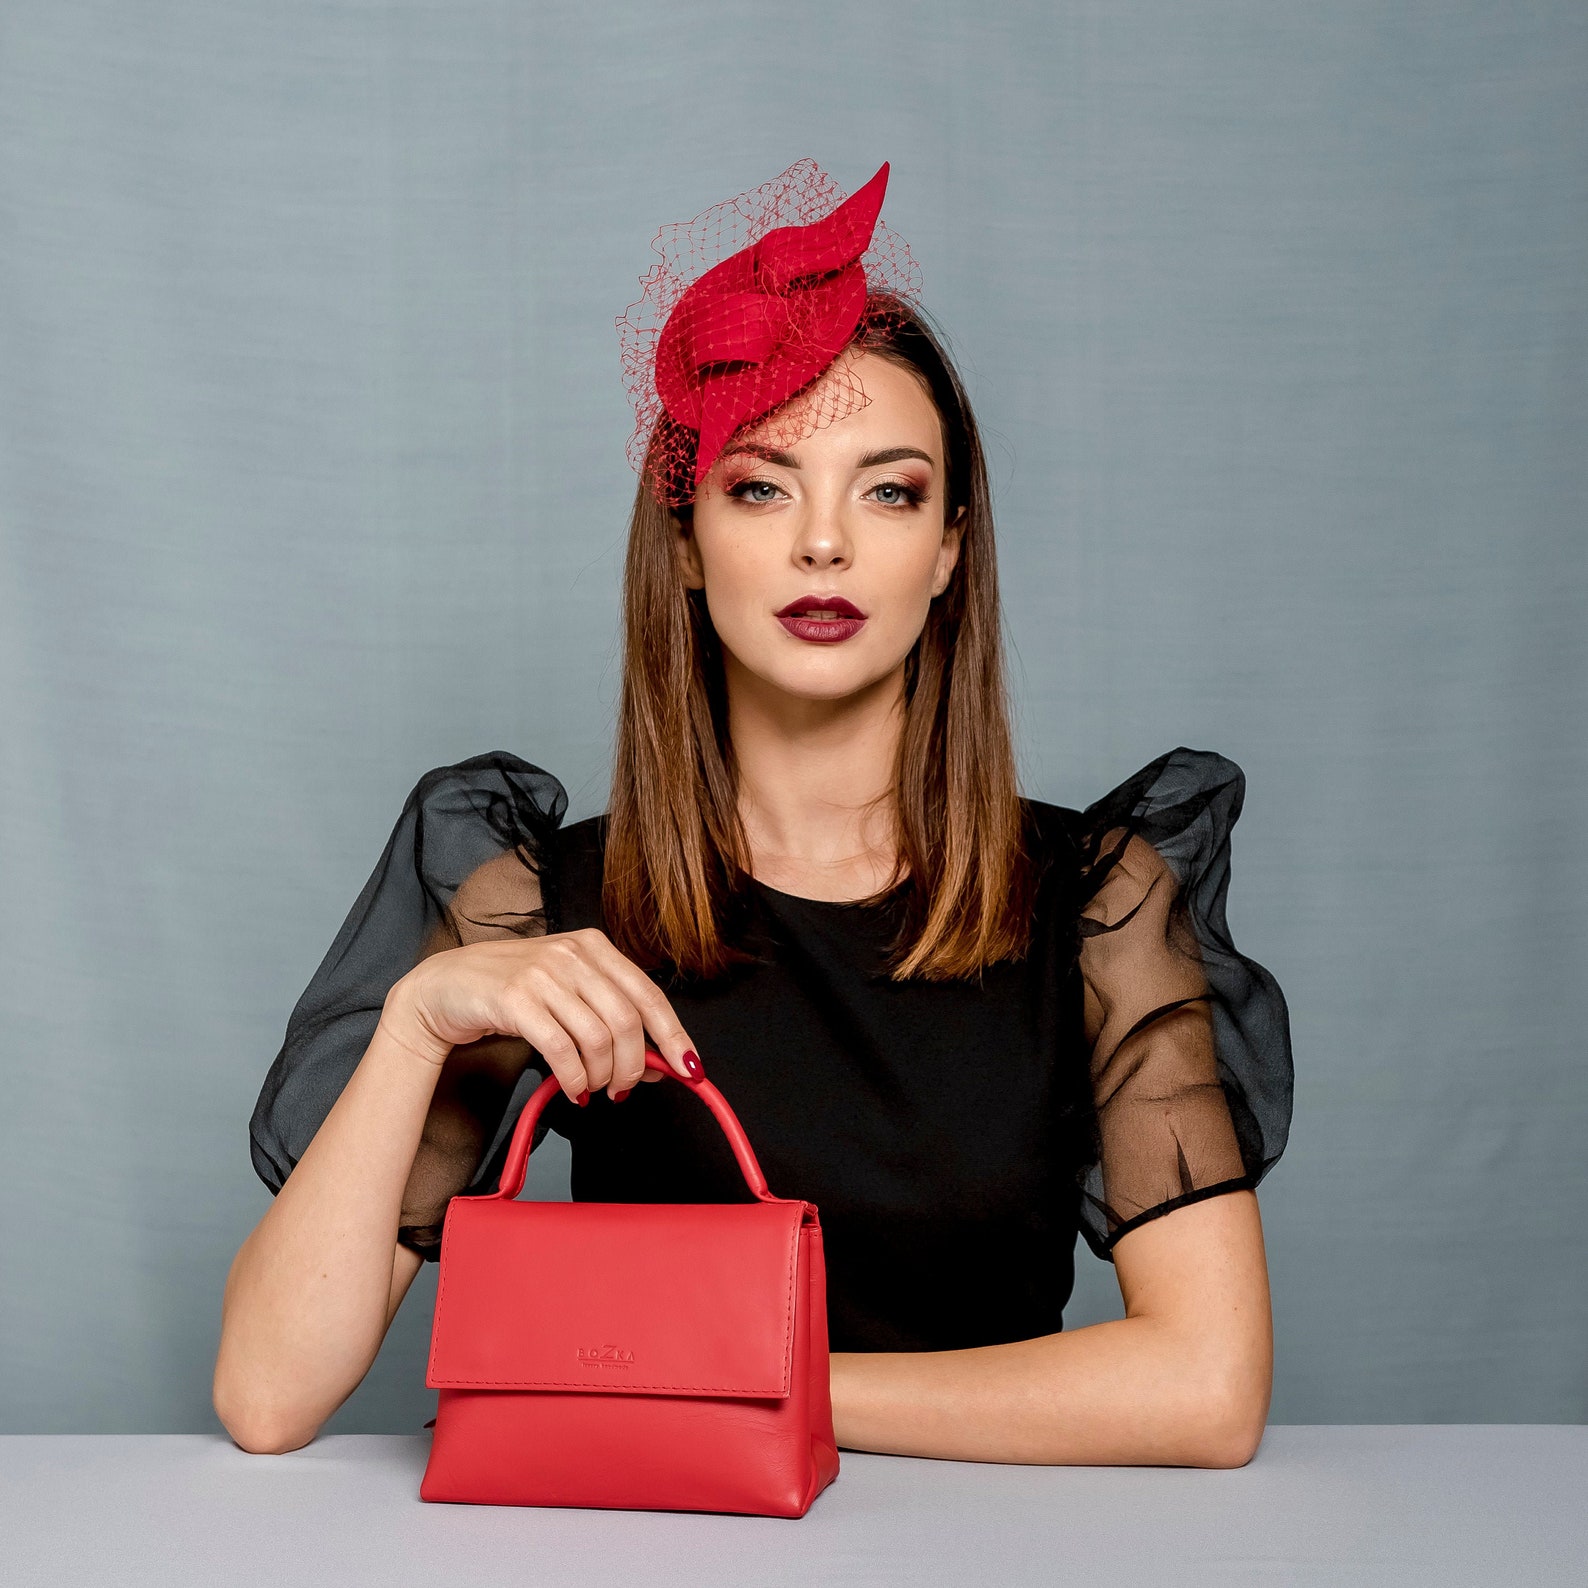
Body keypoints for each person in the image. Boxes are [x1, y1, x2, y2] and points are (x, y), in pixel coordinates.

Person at [214, 158, 1293, 1467]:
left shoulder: (1101, 901)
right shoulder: (537, 899)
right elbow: (269, 1397)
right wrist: (414, 1023)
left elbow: (1208, 1387)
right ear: (683, 540)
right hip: (668, 1547)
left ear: (950, 549)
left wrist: (731, 1380)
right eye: (761, 485)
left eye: (887, 491)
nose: (824, 543)